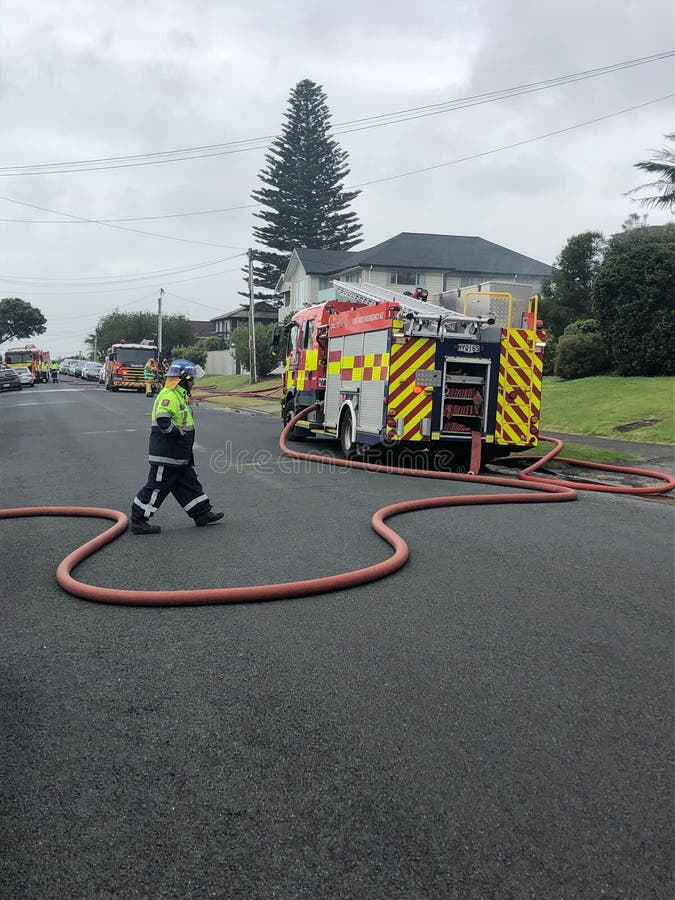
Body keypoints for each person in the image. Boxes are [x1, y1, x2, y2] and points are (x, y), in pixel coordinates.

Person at [129, 358, 223, 535]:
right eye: (191, 379)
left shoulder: (178, 394)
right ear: (183, 379)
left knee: (189, 483)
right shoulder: (169, 395)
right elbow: (162, 419)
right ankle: (138, 519)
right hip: (167, 454)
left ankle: (201, 513)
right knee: (157, 486)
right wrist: (174, 431)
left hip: (179, 455)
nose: (193, 383)